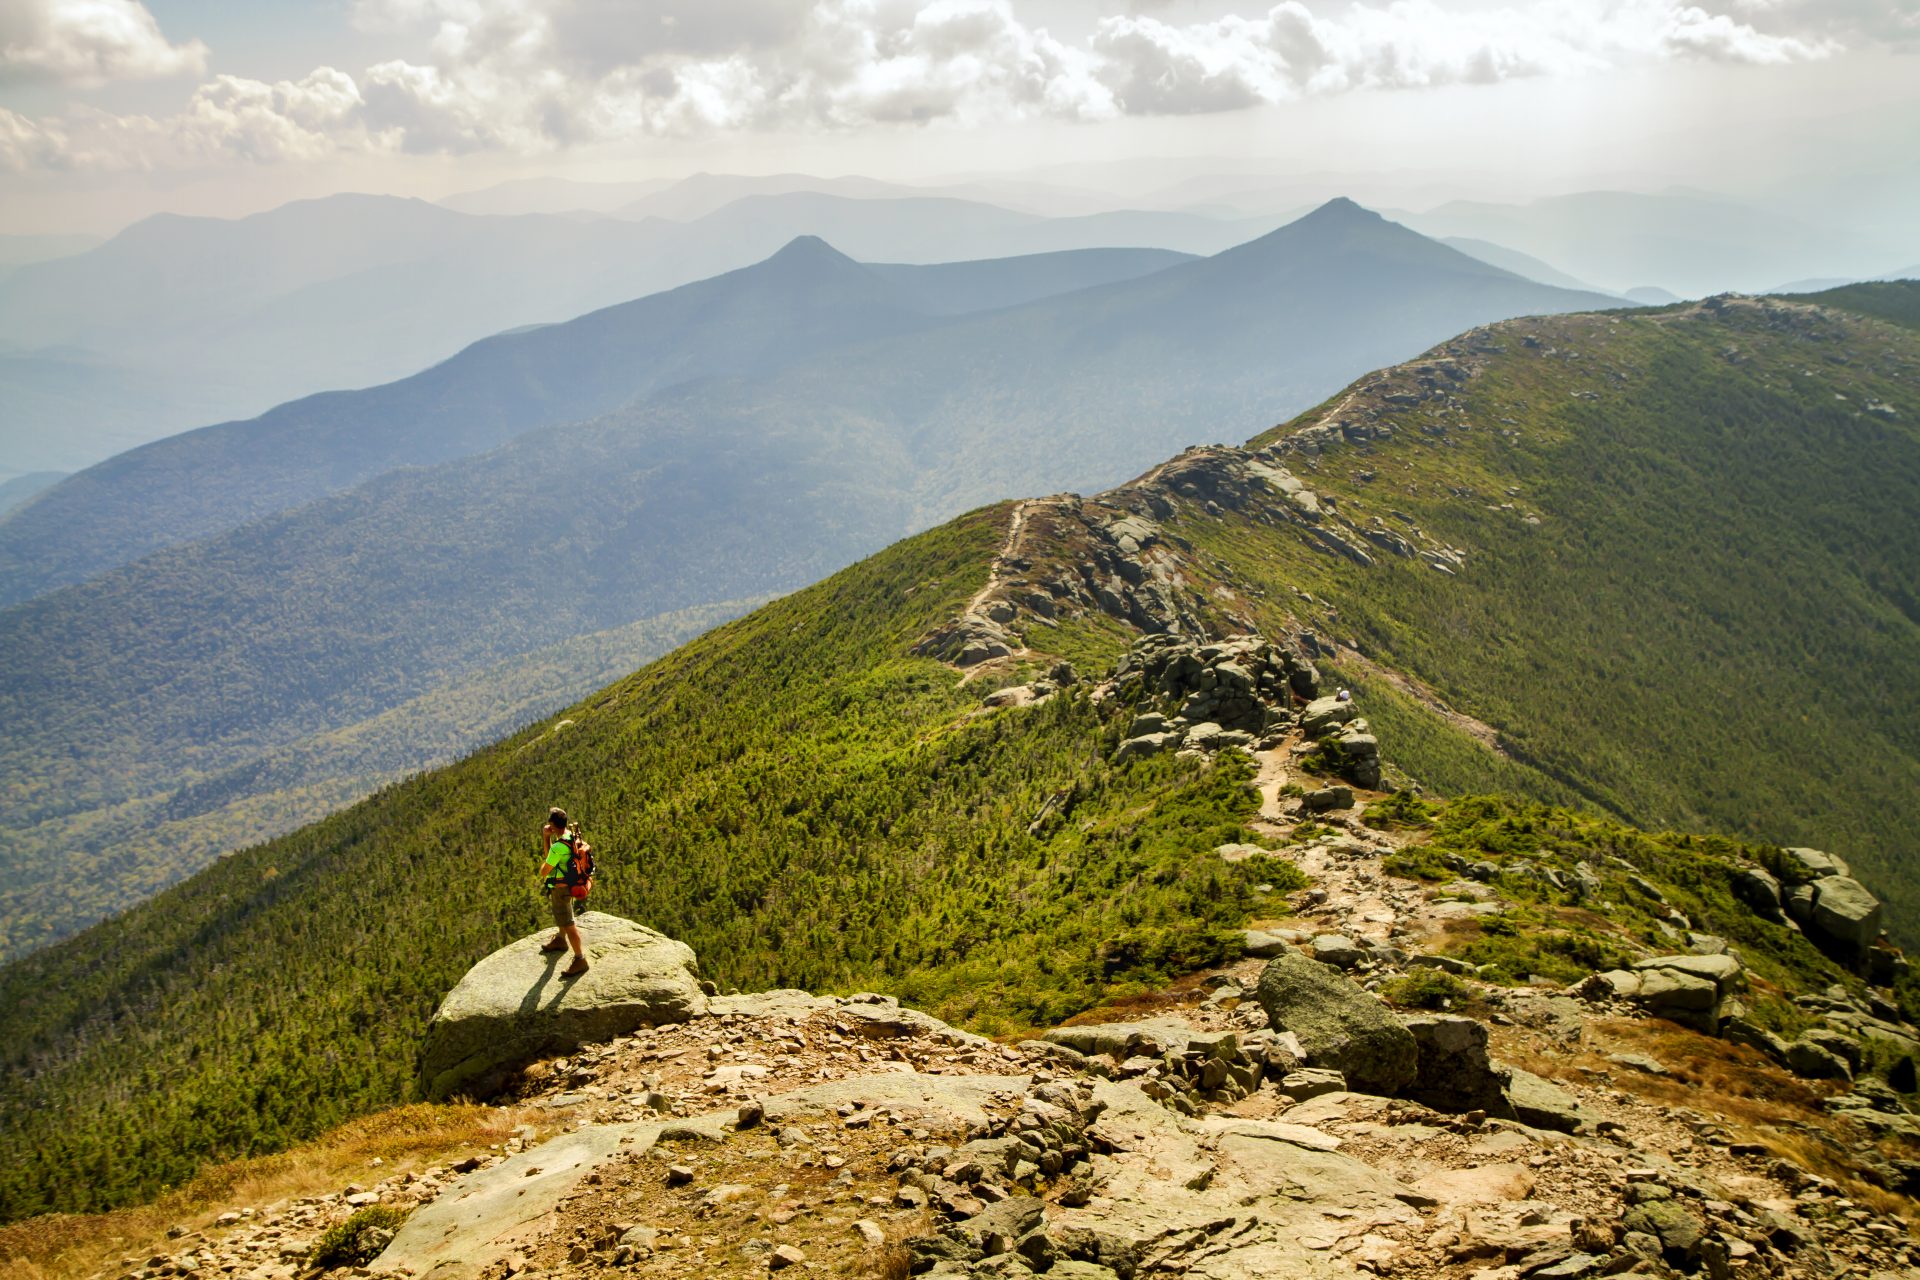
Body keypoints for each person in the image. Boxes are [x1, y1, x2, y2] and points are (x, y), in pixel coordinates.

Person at [538, 806, 590, 977]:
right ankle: (560, 940)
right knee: (562, 916)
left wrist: (546, 838)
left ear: (552, 826)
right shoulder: (570, 836)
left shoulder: (557, 847)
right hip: (570, 883)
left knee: (568, 923)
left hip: (561, 888)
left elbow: (545, 869)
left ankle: (580, 958)